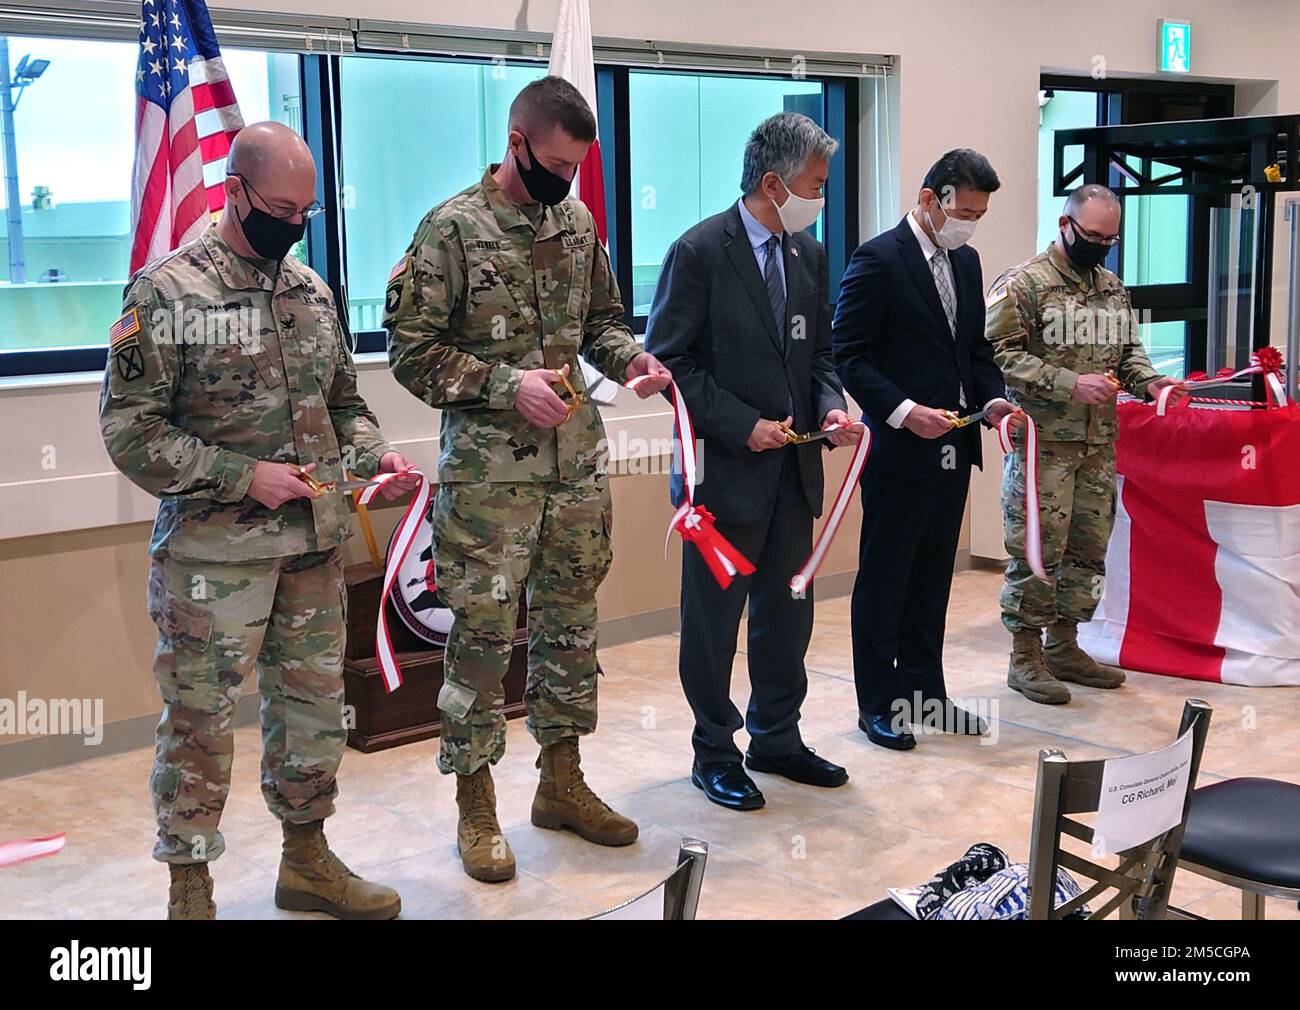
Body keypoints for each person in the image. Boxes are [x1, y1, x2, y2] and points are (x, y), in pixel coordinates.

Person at [99, 121, 419, 920]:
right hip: (214, 561)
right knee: (200, 724)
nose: (294, 224)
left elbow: (345, 404)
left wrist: (377, 458)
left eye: (307, 212)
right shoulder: (167, 293)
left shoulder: (309, 290)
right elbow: (131, 433)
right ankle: (190, 888)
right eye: (280, 207)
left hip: (313, 551)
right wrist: (247, 476)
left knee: (312, 711)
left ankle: (306, 860)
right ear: (234, 190)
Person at [385, 76, 672, 883]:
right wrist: (508, 386)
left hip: (575, 469)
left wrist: (633, 359)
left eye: (577, 166)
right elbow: (410, 350)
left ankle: (562, 781)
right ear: (516, 143)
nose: (566, 180)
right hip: (489, 485)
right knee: (478, 641)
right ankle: (476, 803)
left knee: (570, 631)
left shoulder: (576, 222)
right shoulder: (452, 229)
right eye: (553, 163)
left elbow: (602, 322)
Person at [643, 112, 857, 811]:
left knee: (786, 615)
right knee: (713, 624)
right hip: (723, 477)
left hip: (794, 476)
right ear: (773, 182)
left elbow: (819, 354)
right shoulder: (699, 251)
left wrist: (829, 406)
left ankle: (777, 736)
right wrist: (744, 426)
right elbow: (671, 361)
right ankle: (715, 750)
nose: (821, 198)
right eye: (815, 185)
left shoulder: (810, 254)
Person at [832, 149, 1020, 751]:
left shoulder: (965, 262)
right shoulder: (878, 259)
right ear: (929, 198)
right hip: (899, 450)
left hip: (954, 447)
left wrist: (992, 403)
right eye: (963, 210)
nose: (969, 222)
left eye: (979, 214)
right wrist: (904, 412)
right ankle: (878, 703)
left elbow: (974, 354)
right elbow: (849, 355)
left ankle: (924, 693)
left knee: (933, 578)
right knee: (887, 579)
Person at [986, 183, 1187, 704]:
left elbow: (1128, 354)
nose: (1101, 245)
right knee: (1037, 550)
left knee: (1088, 550)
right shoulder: (1024, 285)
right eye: (1093, 236)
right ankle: (1025, 655)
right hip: (1043, 447)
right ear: (1065, 225)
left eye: (1111, 239)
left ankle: (1065, 643)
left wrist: (1151, 382)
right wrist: (1067, 383)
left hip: (1098, 445)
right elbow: (999, 358)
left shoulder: (1112, 288)